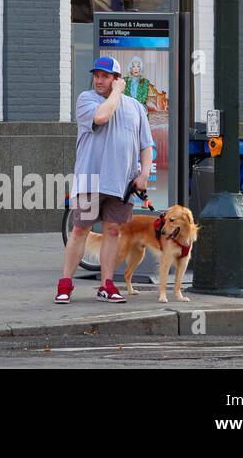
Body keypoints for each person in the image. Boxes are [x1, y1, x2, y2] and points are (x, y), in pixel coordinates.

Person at [56, 56, 154, 304]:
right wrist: (116, 94)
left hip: (122, 183)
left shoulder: (136, 108)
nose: (99, 80)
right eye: (97, 75)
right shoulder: (86, 99)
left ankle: (107, 284)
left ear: (116, 79)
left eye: (105, 76)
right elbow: (101, 118)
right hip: (91, 180)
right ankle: (66, 283)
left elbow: (146, 145)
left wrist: (143, 174)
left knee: (113, 231)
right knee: (80, 229)